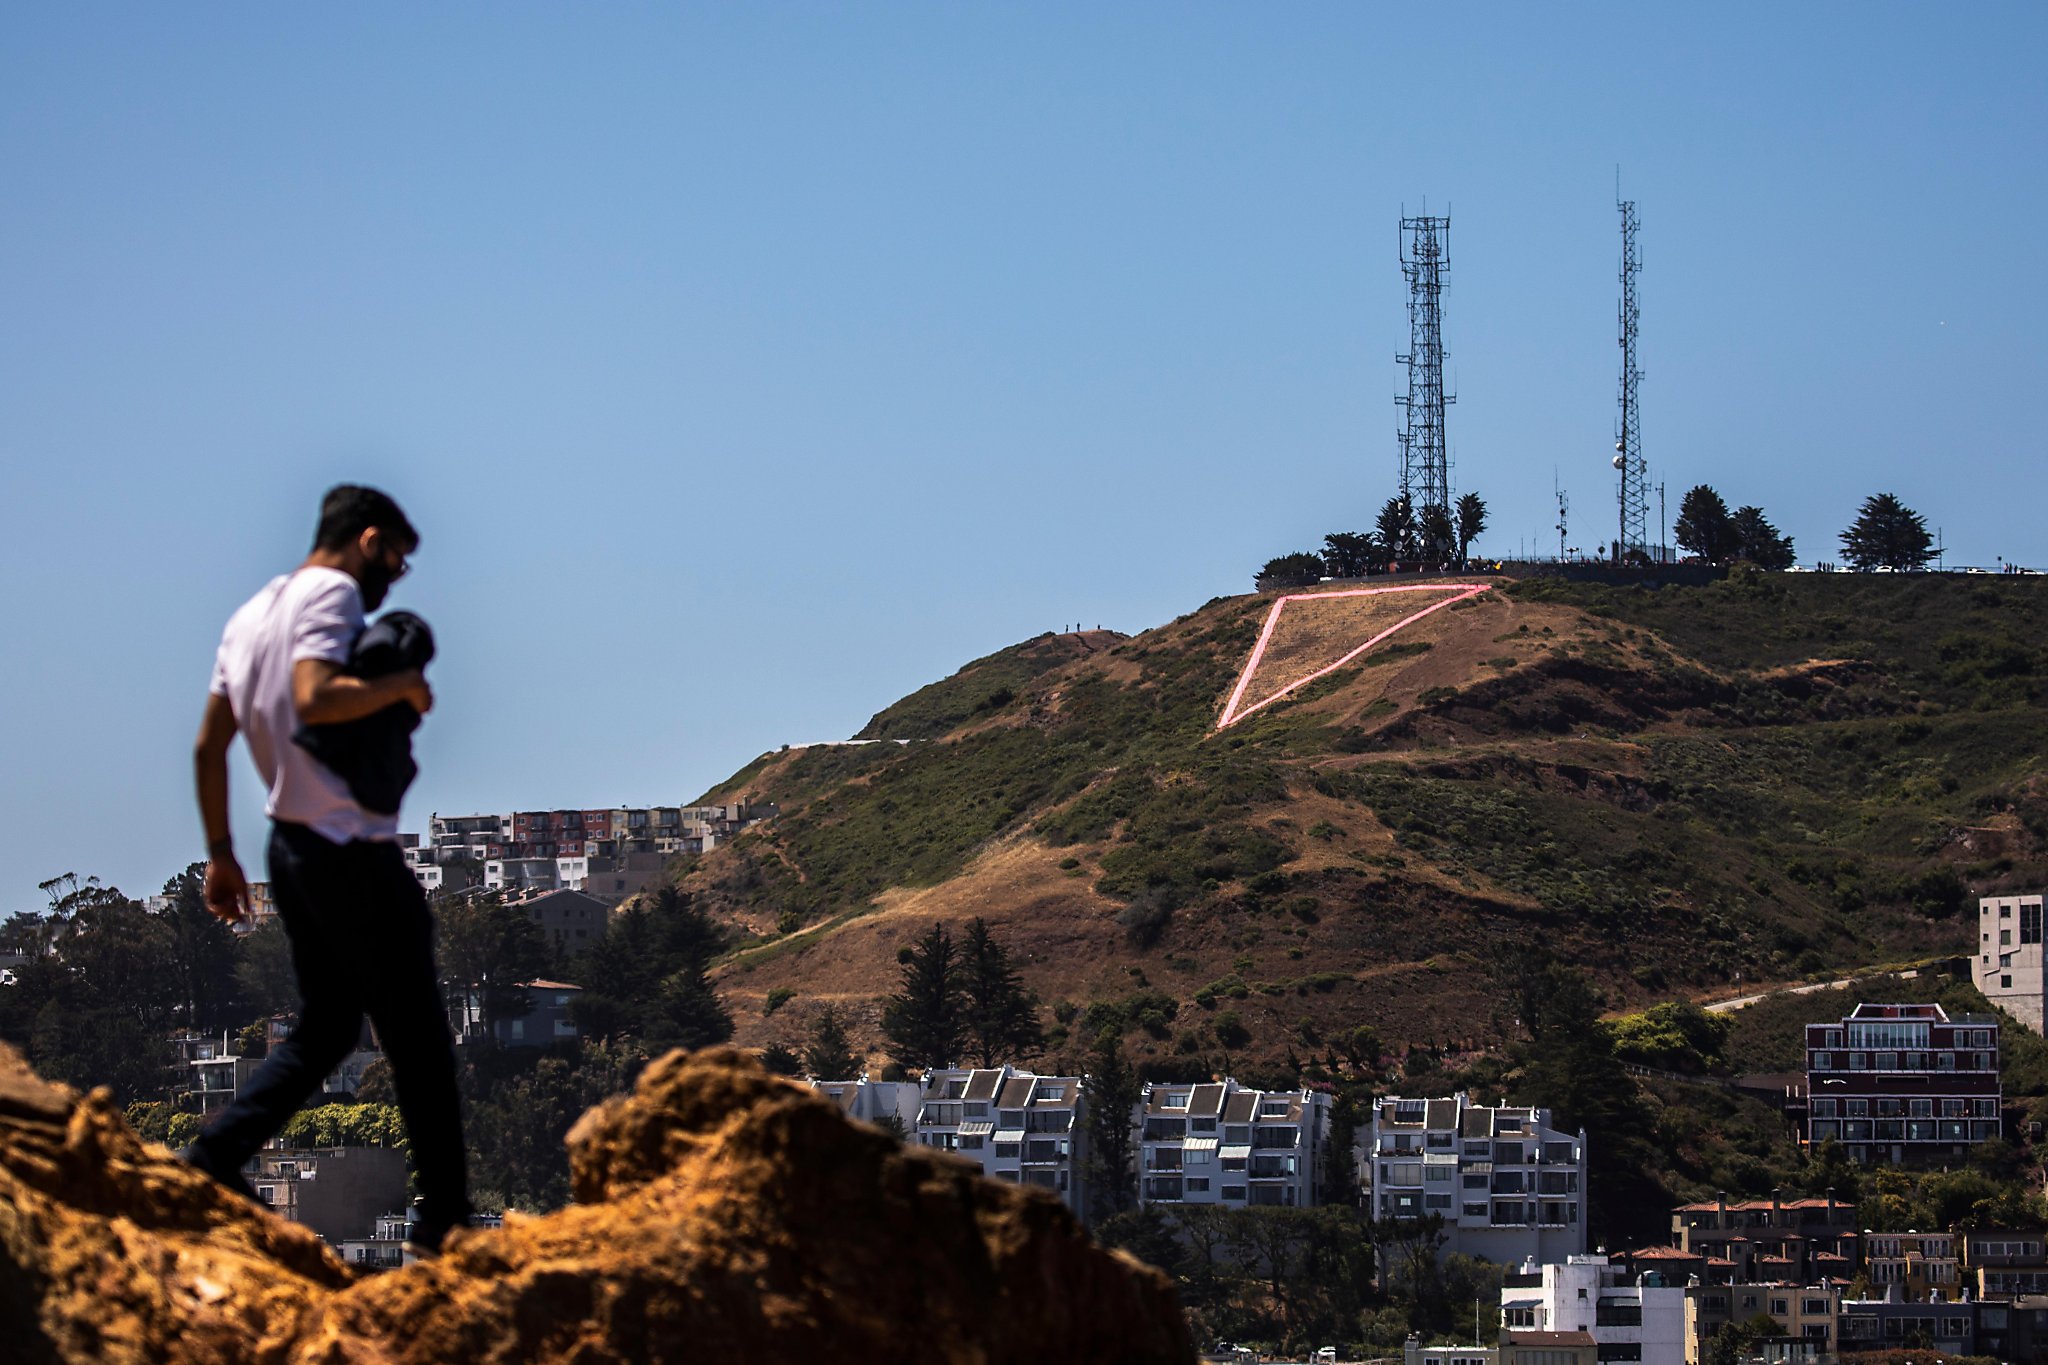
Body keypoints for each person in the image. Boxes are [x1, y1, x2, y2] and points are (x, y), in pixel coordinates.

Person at [184, 484, 471, 1253]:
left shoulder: (250, 616)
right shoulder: (332, 593)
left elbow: (210, 746)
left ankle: (214, 1156)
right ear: (369, 539)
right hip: (349, 849)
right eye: (396, 562)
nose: (393, 580)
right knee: (417, 1036)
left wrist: (221, 852)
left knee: (327, 1028)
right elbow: (315, 697)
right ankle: (445, 1219)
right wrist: (402, 687)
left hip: (290, 848)